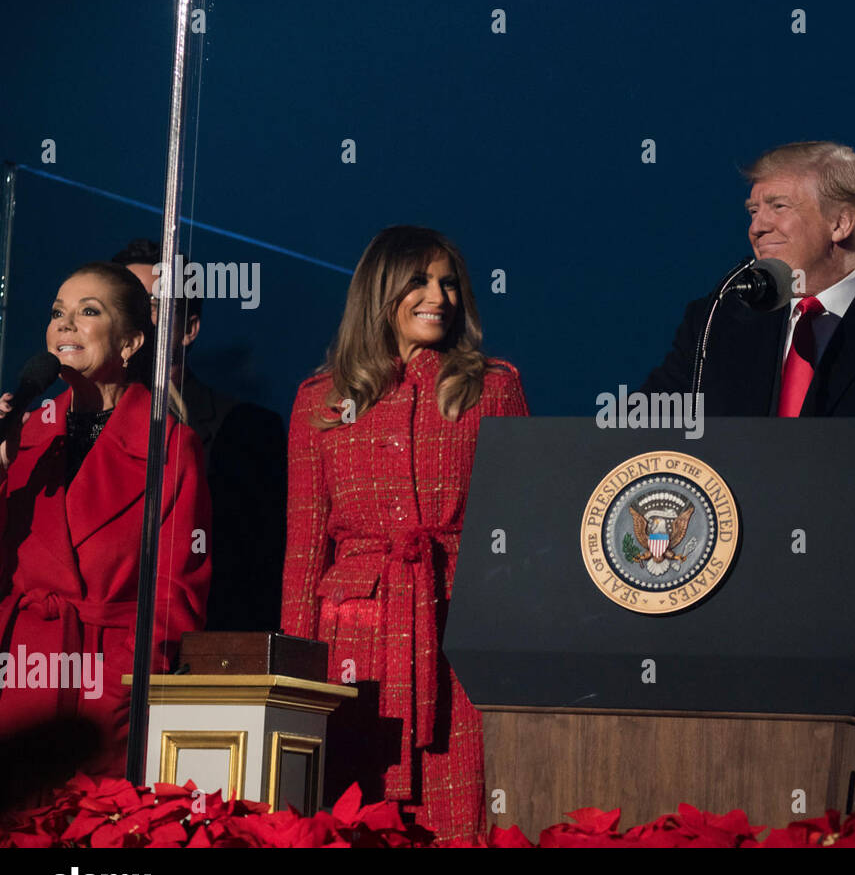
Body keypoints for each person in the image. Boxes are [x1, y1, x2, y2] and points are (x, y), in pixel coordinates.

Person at [641, 141, 855, 833]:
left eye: (778, 205)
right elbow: (642, 424)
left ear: (841, 221)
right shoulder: (716, 319)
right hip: (729, 610)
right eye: (752, 209)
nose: (756, 224)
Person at [281, 226, 528, 841]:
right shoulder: (321, 398)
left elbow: (522, 527)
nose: (438, 296)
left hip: (461, 627)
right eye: (419, 281)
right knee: (352, 808)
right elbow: (306, 544)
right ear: (380, 292)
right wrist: (294, 669)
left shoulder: (492, 385)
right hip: (354, 639)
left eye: (449, 283)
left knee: (461, 809)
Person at [0, 261, 211, 782]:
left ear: (131, 342)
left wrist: (124, 686)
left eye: (87, 312)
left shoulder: (171, 447)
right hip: (17, 677)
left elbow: (177, 596)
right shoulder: (23, 437)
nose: (64, 324)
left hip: (103, 694)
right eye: (57, 313)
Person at [113, 239, 287, 633]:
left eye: (152, 307)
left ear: (188, 328)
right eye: (122, 304)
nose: (134, 320)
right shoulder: (69, 421)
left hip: (194, 660)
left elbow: (255, 575)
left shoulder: (248, 431)